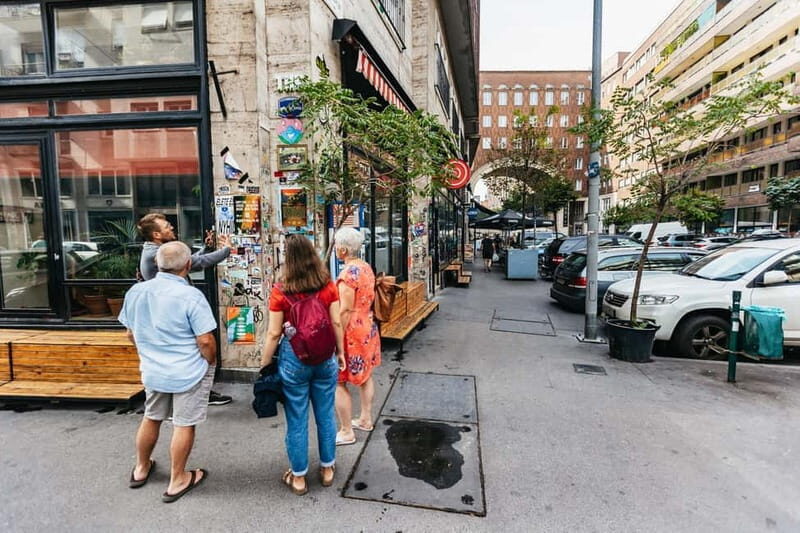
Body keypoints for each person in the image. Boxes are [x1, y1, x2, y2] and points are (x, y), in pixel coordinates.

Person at [119, 241, 218, 503]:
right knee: (184, 424)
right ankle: (178, 479)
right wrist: (210, 362)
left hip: (153, 370)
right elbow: (206, 341)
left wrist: (149, 353)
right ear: (188, 265)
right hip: (188, 370)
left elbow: (130, 333)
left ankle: (141, 468)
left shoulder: (136, 292)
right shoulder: (191, 296)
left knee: (151, 417)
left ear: (157, 264)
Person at [261, 234, 345, 496]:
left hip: (294, 359)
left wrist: (265, 365)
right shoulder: (327, 286)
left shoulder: (281, 291)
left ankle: (299, 477)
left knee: (297, 419)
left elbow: (274, 333)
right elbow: (337, 323)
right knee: (325, 413)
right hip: (324, 358)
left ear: (289, 259)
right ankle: (328, 469)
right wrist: (340, 352)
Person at [137, 213, 233, 407]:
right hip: (172, 315)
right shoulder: (155, 255)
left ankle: (196, 394)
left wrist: (207, 247)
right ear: (156, 234)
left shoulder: (159, 250)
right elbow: (197, 263)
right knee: (193, 350)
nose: (171, 227)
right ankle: (188, 397)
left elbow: (187, 261)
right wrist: (226, 250)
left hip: (169, 313)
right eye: (166, 226)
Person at [332, 228, 382, 446]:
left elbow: (344, 310)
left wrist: (336, 339)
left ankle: (345, 431)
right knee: (366, 375)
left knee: (339, 381)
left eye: (336, 245)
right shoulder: (365, 268)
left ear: (343, 249)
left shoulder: (347, 275)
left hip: (351, 331)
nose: (334, 249)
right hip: (368, 326)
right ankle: (365, 419)